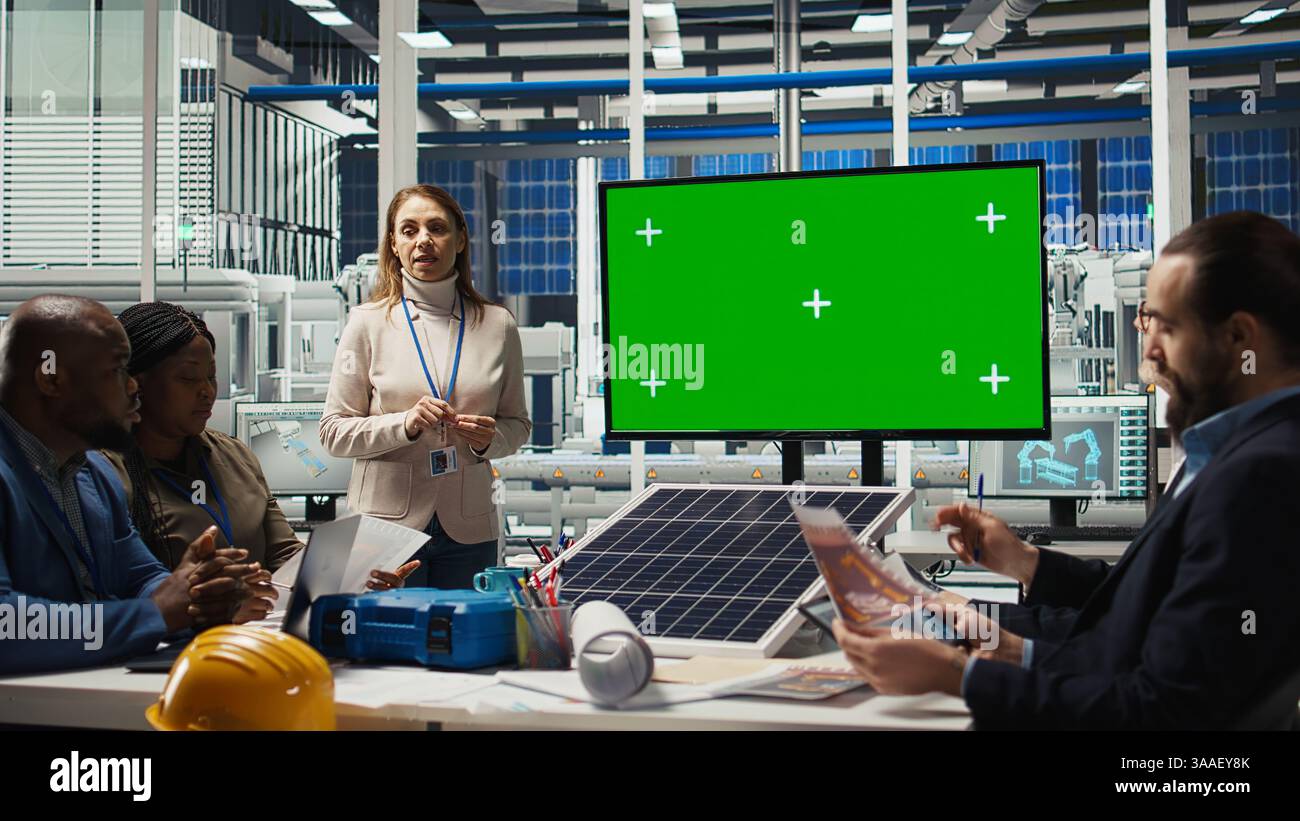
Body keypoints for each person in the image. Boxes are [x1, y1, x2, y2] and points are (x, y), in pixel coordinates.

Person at [833, 211, 1300, 730]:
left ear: (1239, 339)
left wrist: (961, 678)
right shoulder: (1230, 451)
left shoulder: (1260, 477)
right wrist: (1018, 575)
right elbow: (1134, 616)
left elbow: (1162, 711)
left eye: (1166, 326)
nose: (1148, 350)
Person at [102, 302, 418, 623]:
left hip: (258, 637)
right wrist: (216, 606)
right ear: (135, 384)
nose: (207, 391)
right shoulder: (104, 475)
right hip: (170, 649)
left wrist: (354, 579)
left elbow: (286, 557)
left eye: (211, 376)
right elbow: (124, 593)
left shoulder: (234, 456)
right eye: (187, 378)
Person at [0, 295, 252, 674]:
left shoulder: (92, 473)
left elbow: (139, 577)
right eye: (118, 370)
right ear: (50, 376)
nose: (134, 387)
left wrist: (198, 591)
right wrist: (154, 614)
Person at [321, 184, 531, 589]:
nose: (424, 241)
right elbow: (333, 433)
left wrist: (489, 440)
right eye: (409, 230)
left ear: (461, 238)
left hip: (470, 526)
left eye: (437, 228)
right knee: (389, 640)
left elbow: (518, 426)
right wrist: (404, 424)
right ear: (394, 244)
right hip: (384, 526)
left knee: (469, 638)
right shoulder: (367, 323)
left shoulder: (497, 325)